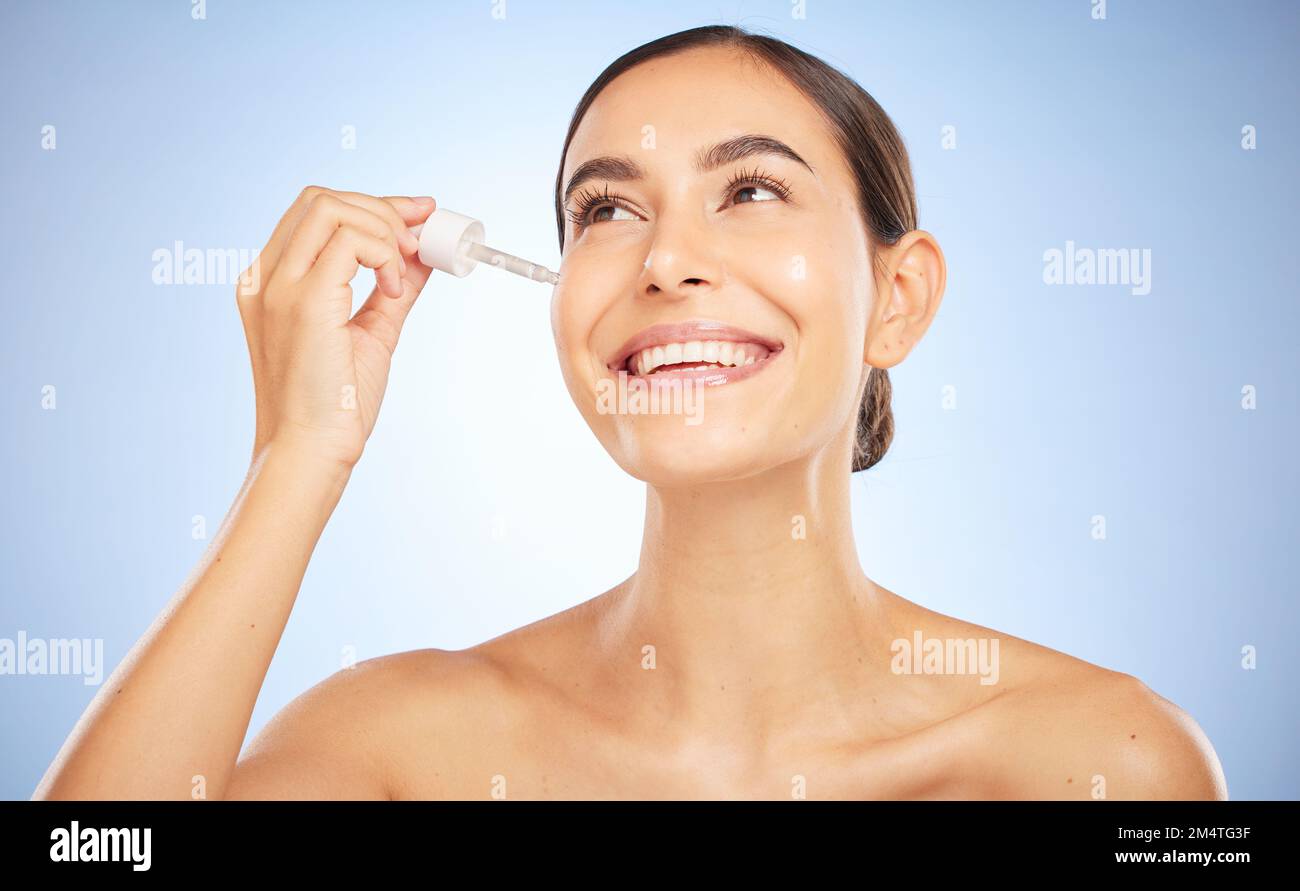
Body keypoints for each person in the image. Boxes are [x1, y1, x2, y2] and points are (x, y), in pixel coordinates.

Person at [34, 25, 1227, 800]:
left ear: (897, 301)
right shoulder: (398, 749)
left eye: (751, 189)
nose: (665, 262)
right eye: (605, 211)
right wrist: (298, 458)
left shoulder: (1101, 762)